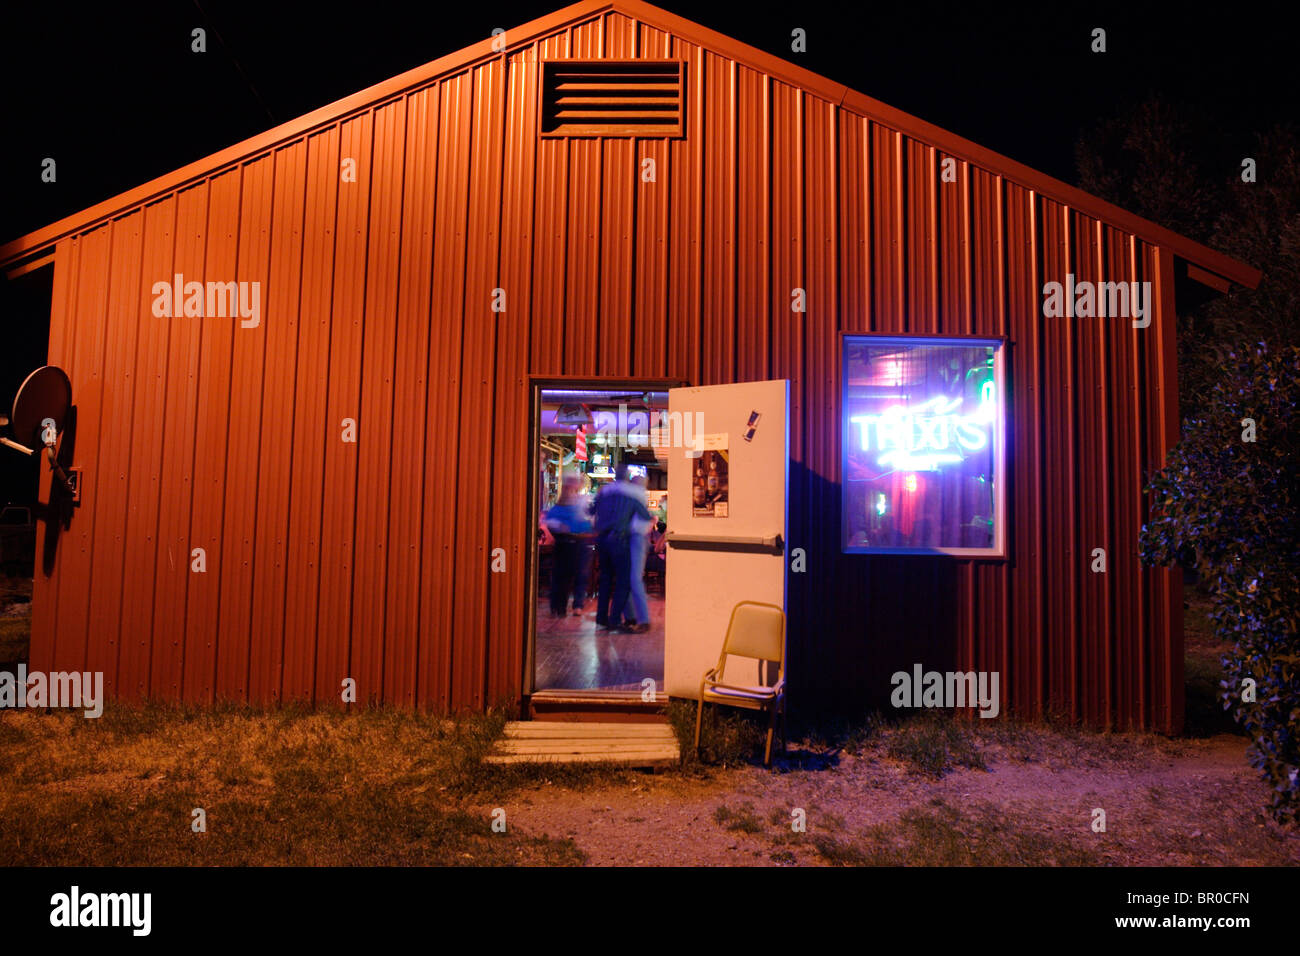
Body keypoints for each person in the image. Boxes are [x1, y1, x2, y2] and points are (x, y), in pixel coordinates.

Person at [593, 463, 653, 632]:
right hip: (623, 539)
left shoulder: (606, 492)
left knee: (610, 580)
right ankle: (620, 620)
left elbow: (590, 510)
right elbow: (645, 516)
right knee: (625, 580)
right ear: (627, 477)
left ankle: (605, 620)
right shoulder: (632, 495)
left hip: (605, 539)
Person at [545, 473, 593, 617]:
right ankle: (559, 607)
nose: (575, 485)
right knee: (564, 577)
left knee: (577, 576)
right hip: (568, 543)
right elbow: (551, 520)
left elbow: (587, 520)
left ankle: (570, 606)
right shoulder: (567, 503)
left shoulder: (579, 501)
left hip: (577, 543)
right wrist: (561, 526)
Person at [620, 472, 654, 632]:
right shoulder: (638, 497)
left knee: (632, 579)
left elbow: (639, 523)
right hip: (634, 539)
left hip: (636, 539)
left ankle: (641, 619)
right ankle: (632, 617)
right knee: (629, 579)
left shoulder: (636, 497)